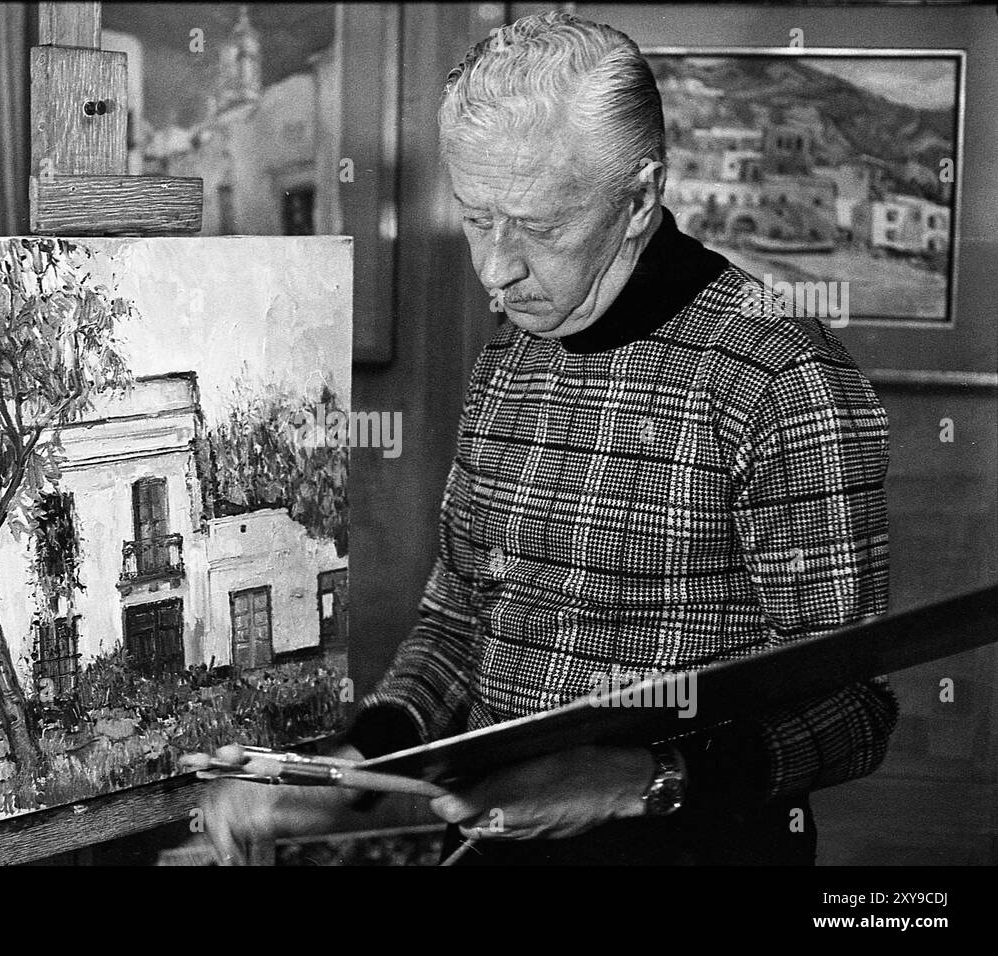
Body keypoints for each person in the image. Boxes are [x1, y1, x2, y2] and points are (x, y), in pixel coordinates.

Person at [200, 10, 897, 865]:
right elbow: (458, 622)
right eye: (475, 219)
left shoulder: (782, 378)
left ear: (640, 199)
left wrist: (637, 778)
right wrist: (357, 761)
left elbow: (855, 711)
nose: (496, 270)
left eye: (536, 227)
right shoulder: (511, 356)